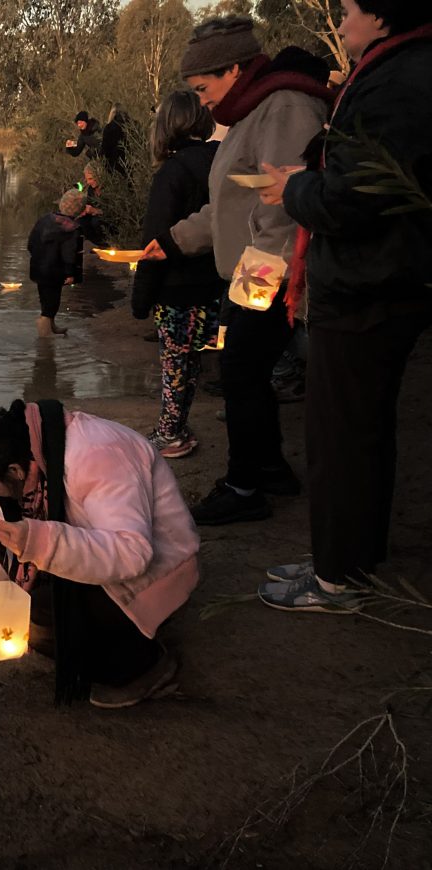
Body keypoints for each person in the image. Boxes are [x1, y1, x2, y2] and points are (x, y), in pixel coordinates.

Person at [253, 0, 432, 612]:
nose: (342, 19)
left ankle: (337, 579)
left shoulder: (398, 78)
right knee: (360, 433)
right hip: (377, 282)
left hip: (365, 286)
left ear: (384, 15)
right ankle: (350, 561)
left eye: (350, 8)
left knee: (342, 437)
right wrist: (309, 172)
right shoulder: (399, 70)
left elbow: (354, 196)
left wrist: (294, 187)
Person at [141, 15, 333, 525]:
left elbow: (281, 208)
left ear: (233, 68)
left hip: (269, 271)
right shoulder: (251, 112)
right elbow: (229, 204)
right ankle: (269, 468)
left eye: (204, 87)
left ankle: (244, 488)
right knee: (247, 373)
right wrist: (173, 242)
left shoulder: (284, 107)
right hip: (254, 268)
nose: (202, 100)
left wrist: (254, 289)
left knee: (240, 373)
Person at [0, 399, 200, 708]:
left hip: (161, 569)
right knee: (26, 592)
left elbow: (132, 552)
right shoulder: (39, 450)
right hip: (102, 552)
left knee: (35, 618)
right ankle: (114, 641)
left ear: (16, 471)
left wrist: (41, 542)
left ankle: (142, 668)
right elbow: (8, 548)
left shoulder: (97, 455)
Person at [132, 90, 226, 460]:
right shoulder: (219, 158)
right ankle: (178, 428)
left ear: (166, 124)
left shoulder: (173, 171)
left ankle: (170, 433)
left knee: (174, 365)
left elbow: (155, 241)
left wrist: (141, 298)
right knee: (194, 360)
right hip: (216, 282)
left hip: (176, 288)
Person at [27, 189, 84, 337]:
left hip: (39, 268)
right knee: (52, 302)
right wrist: (70, 273)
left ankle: (51, 326)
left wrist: (38, 258)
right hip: (55, 271)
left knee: (46, 298)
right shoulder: (71, 228)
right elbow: (69, 254)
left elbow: (30, 244)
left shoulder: (45, 219)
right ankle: (45, 340)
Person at [100, 104, 132, 175]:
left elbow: (105, 149)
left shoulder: (109, 128)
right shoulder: (133, 125)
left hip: (116, 166)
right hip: (132, 165)